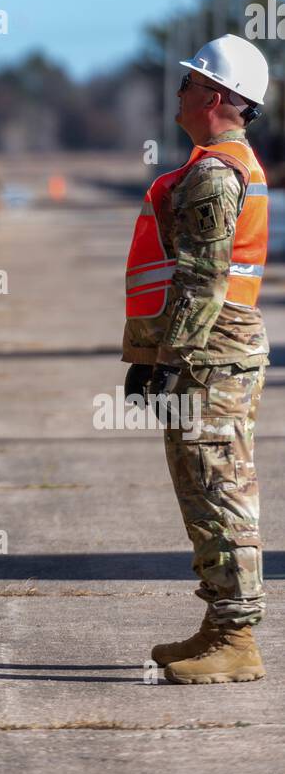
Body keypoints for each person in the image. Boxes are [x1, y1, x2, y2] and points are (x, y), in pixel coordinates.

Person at [122, 34, 270, 682]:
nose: (178, 92)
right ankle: (219, 626)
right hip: (208, 349)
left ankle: (236, 637)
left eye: (188, 83)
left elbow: (203, 280)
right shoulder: (216, 163)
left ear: (216, 96)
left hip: (211, 352)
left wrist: (164, 360)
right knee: (206, 487)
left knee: (219, 488)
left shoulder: (214, 174)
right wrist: (153, 355)